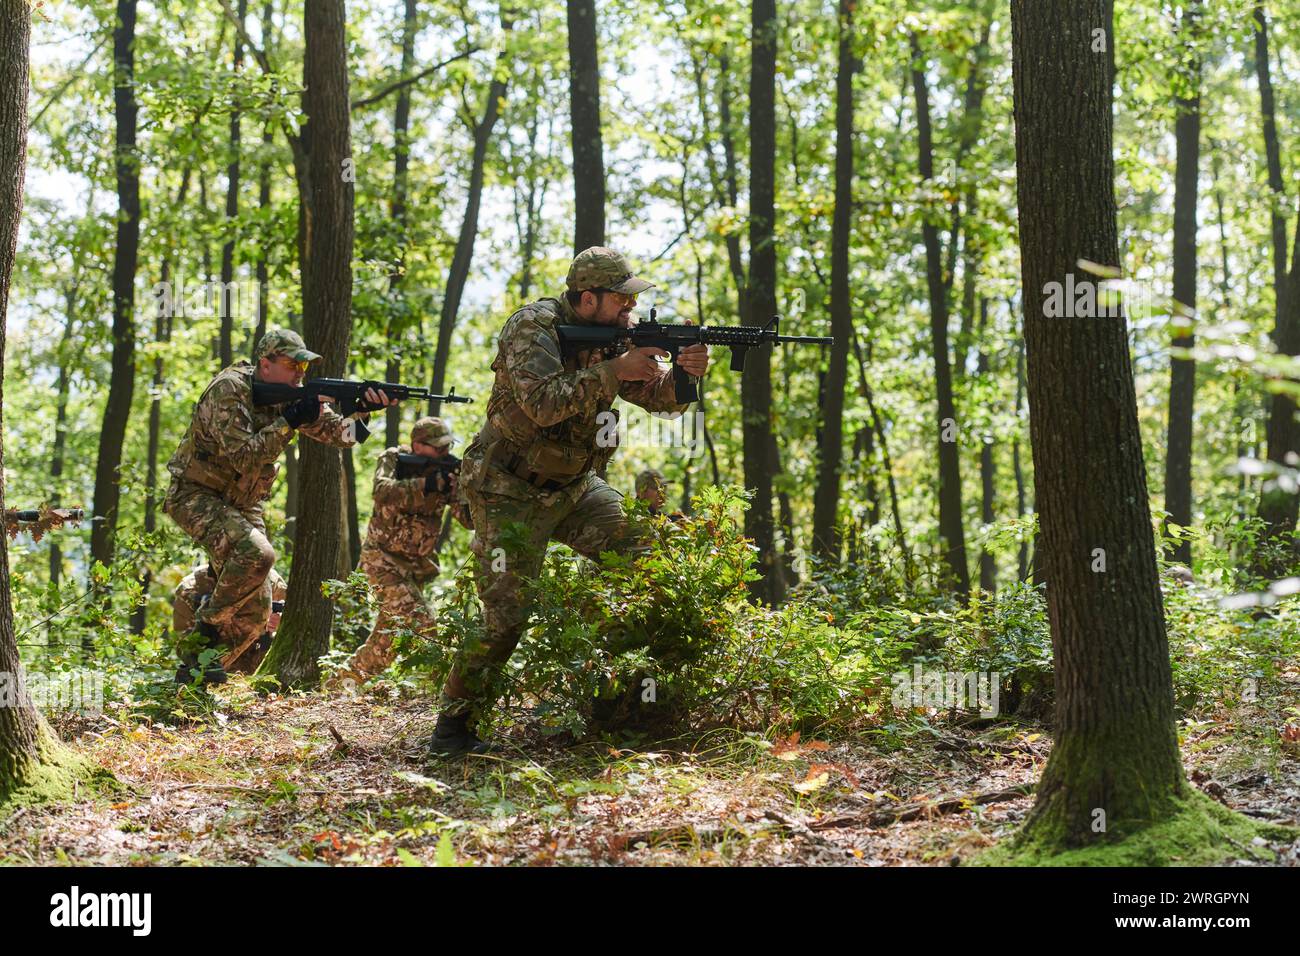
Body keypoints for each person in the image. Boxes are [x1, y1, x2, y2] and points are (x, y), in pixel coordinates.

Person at [427, 246, 710, 756]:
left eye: (630, 302)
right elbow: (541, 406)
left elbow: (660, 401)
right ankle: (454, 727)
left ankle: (619, 704)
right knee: (505, 616)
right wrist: (615, 368)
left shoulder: (614, 338)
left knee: (646, 560)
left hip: (578, 488)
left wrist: (687, 372)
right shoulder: (532, 327)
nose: (629, 309)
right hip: (509, 489)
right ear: (587, 298)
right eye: (621, 301)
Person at [163, 328, 398, 685]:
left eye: (303, 365)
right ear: (265, 365)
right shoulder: (229, 390)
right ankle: (205, 630)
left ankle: (198, 680)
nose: (299, 373)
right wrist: (290, 421)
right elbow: (244, 457)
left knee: (257, 614)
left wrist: (363, 412)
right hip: (197, 495)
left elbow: (341, 437)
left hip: (243, 502)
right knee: (258, 553)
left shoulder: (291, 395)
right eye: (291, 364)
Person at [329, 417, 471, 689]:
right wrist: (426, 485)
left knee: (387, 642)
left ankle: (339, 686)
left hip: (414, 569)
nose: (444, 453)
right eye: (437, 448)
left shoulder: (447, 472)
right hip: (381, 562)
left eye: (446, 448)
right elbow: (381, 491)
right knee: (424, 623)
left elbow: (467, 521)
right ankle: (440, 694)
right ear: (418, 445)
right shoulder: (394, 458)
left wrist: (465, 491)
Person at [173, 566, 286, 676]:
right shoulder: (191, 589)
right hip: (214, 673)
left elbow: (294, 624)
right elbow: (184, 646)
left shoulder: (270, 580)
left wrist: (280, 623)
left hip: (262, 670)